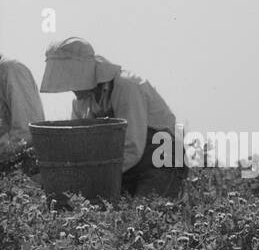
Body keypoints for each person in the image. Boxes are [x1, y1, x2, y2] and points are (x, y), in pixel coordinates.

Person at [39, 37, 183, 198]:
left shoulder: (127, 86)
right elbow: (80, 147)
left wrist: (97, 179)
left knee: (146, 215)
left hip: (162, 158)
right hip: (125, 165)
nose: (73, 89)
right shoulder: (81, 102)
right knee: (109, 213)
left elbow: (132, 145)